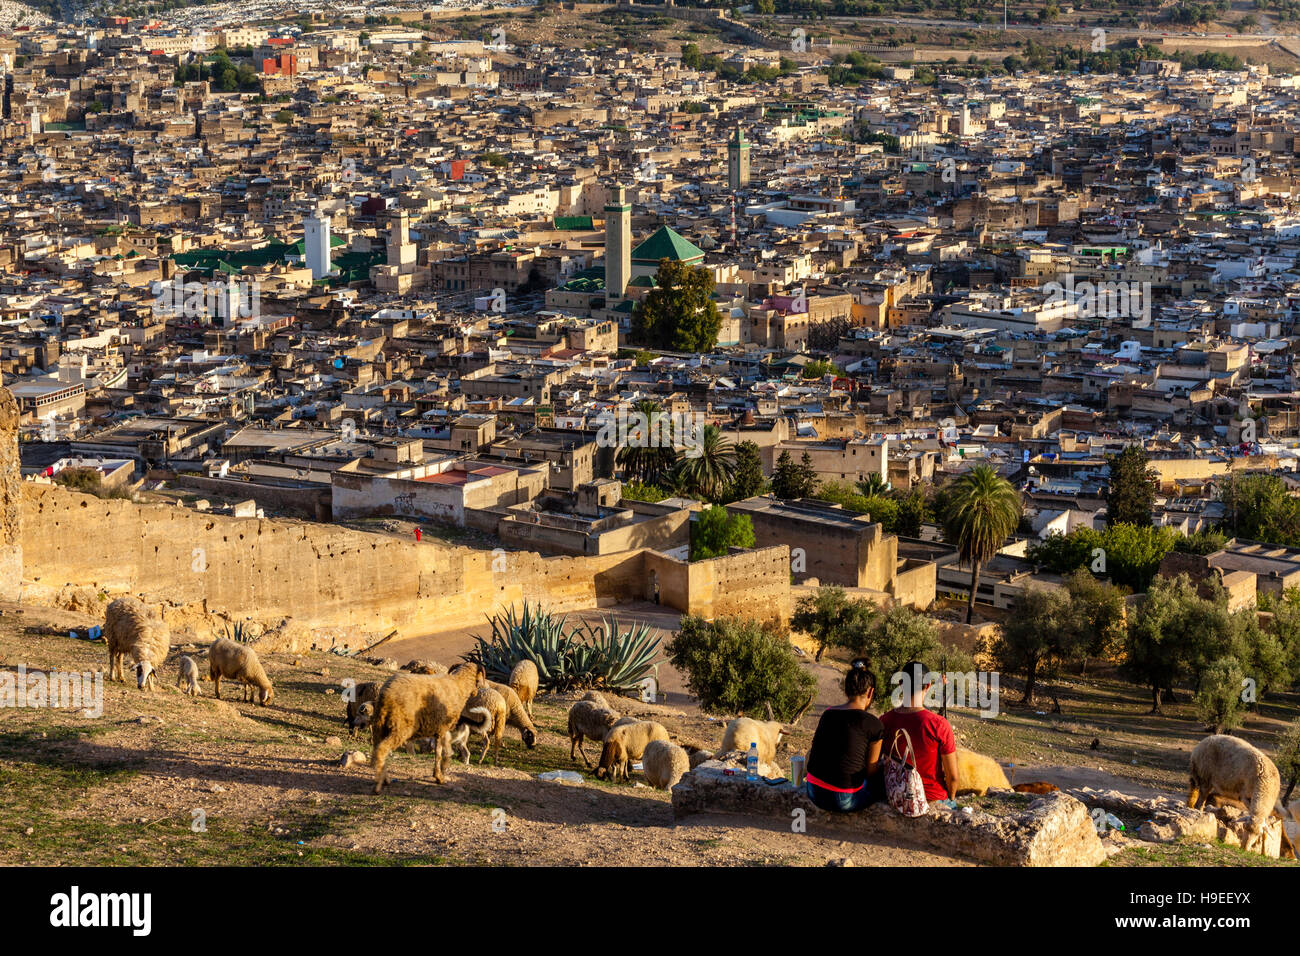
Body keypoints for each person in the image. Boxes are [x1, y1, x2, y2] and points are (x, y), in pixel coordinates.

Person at [803, 659, 884, 812]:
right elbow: (871, 771)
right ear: (870, 692)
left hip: (813, 790)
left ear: (846, 690)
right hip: (842, 799)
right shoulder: (874, 724)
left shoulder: (828, 714)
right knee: (880, 783)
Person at [881, 660, 959, 802]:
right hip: (931, 798)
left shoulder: (884, 721)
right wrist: (951, 800)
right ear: (928, 686)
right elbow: (953, 777)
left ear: (900, 685)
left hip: (894, 795)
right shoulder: (939, 724)